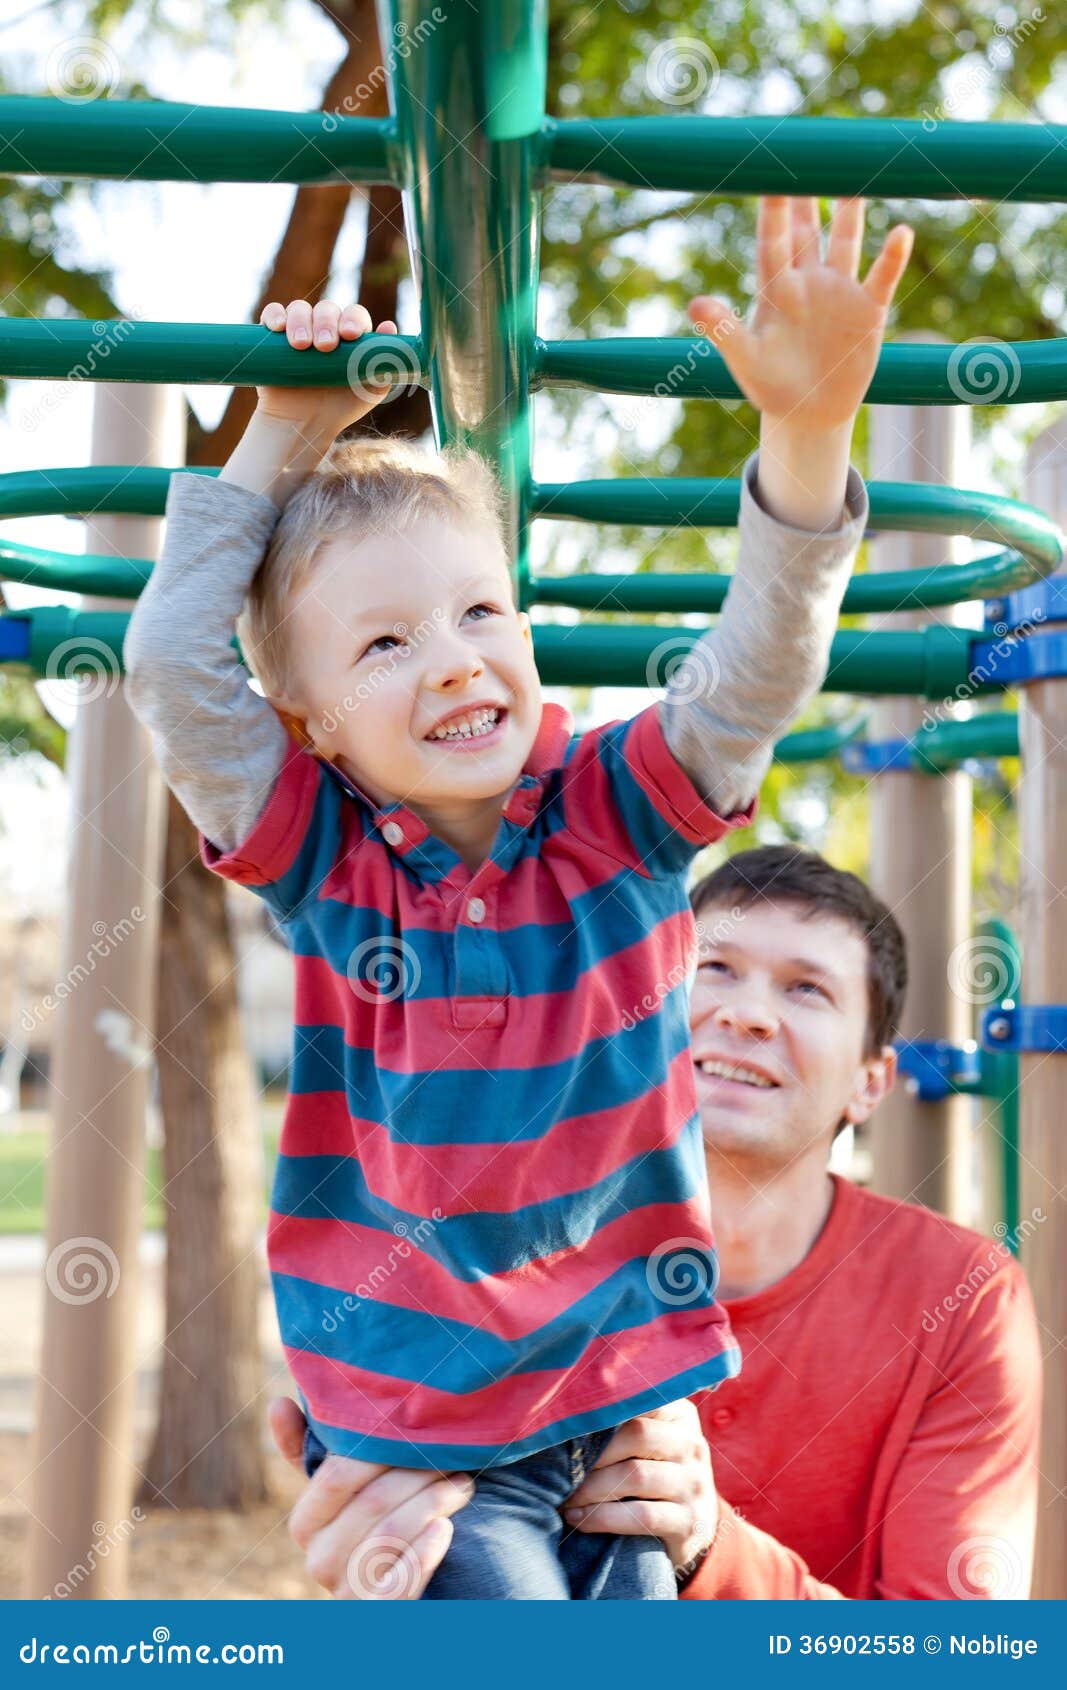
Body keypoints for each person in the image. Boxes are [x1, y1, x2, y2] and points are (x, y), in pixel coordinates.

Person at [123, 196, 912, 1599]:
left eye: (479, 613)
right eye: (383, 641)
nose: (450, 661)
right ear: (306, 722)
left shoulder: (616, 814)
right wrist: (279, 436)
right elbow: (177, 671)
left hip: (619, 1395)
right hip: (418, 1438)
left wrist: (800, 443)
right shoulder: (328, 856)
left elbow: (751, 674)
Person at [272, 846, 1042, 1600]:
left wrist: (709, 1549)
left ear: (870, 1082)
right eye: (713, 968)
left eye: (807, 989)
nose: (744, 1014)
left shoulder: (961, 1298)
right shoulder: (487, 1265)